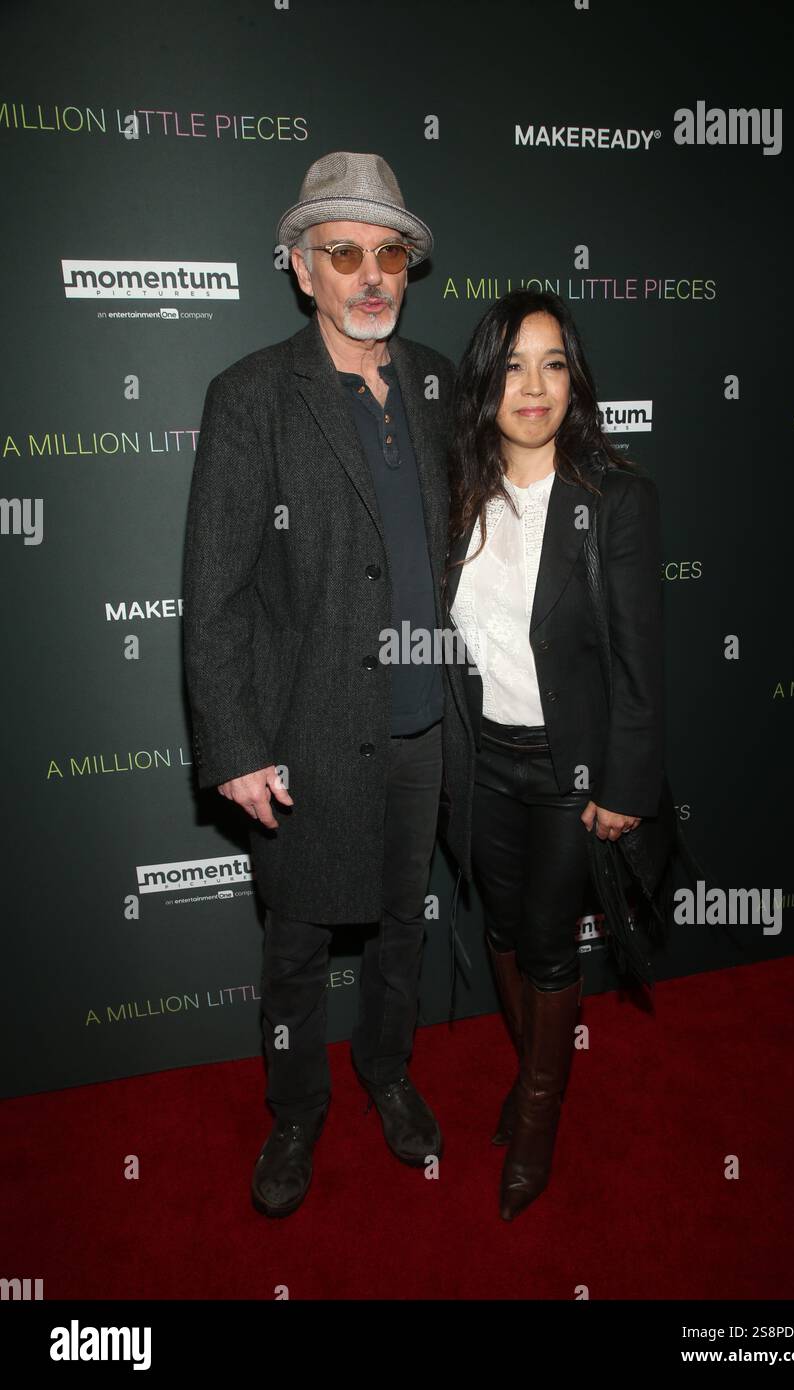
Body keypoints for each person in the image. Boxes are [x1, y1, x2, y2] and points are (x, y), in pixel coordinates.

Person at [182, 151, 474, 1218]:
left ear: (407, 267)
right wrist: (235, 744)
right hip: (303, 735)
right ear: (302, 270)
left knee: (404, 921)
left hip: (421, 723)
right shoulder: (252, 395)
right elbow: (212, 593)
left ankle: (385, 1070)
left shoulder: (439, 384)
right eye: (342, 252)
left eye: (387, 252)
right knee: (297, 941)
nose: (369, 274)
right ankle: (295, 1106)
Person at [445, 289, 664, 1220]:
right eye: (513, 365)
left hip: (571, 771)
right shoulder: (456, 491)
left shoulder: (615, 499)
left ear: (575, 380)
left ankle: (537, 1111)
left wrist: (623, 784)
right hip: (481, 758)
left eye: (554, 363)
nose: (532, 386)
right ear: (486, 381)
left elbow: (638, 662)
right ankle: (532, 1069)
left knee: (547, 947)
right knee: (501, 930)